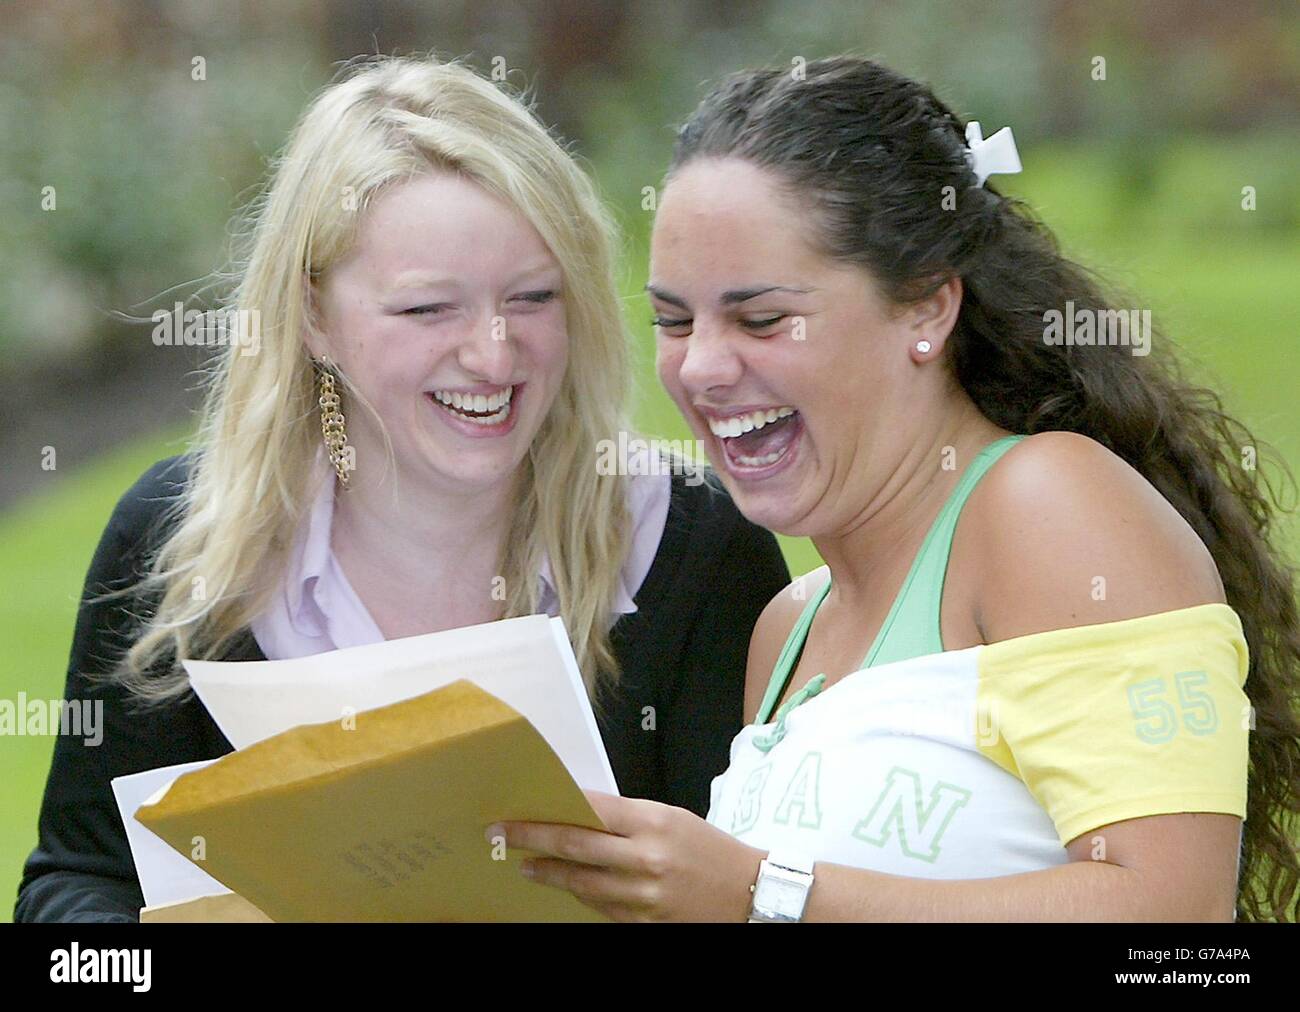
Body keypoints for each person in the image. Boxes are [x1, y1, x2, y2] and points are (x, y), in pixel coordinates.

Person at [494, 56, 1300, 922]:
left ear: (925, 308)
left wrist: (764, 892)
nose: (702, 366)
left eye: (762, 319)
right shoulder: (787, 631)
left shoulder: (1047, 507)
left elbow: (1174, 926)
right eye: (674, 320)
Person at [14, 54, 789, 923]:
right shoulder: (186, 545)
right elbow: (75, 888)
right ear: (312, 317)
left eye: (533, 298)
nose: (493, 356)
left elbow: (765, 889)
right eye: (429, 309)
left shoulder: (693, 549)